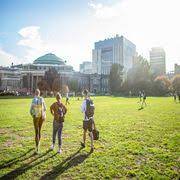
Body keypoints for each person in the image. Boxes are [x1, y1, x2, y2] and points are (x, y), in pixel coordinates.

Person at [30, 89, 46, 154]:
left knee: (36, 132)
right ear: (39, 93)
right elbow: (45, 108)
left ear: (35, 93)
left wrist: (33, 115)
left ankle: (37, 149)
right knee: (40, 130)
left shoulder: (34, 99)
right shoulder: (42, 99)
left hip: (36, 116)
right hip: (41, 116)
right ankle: (38, 144)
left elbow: (31, 110)